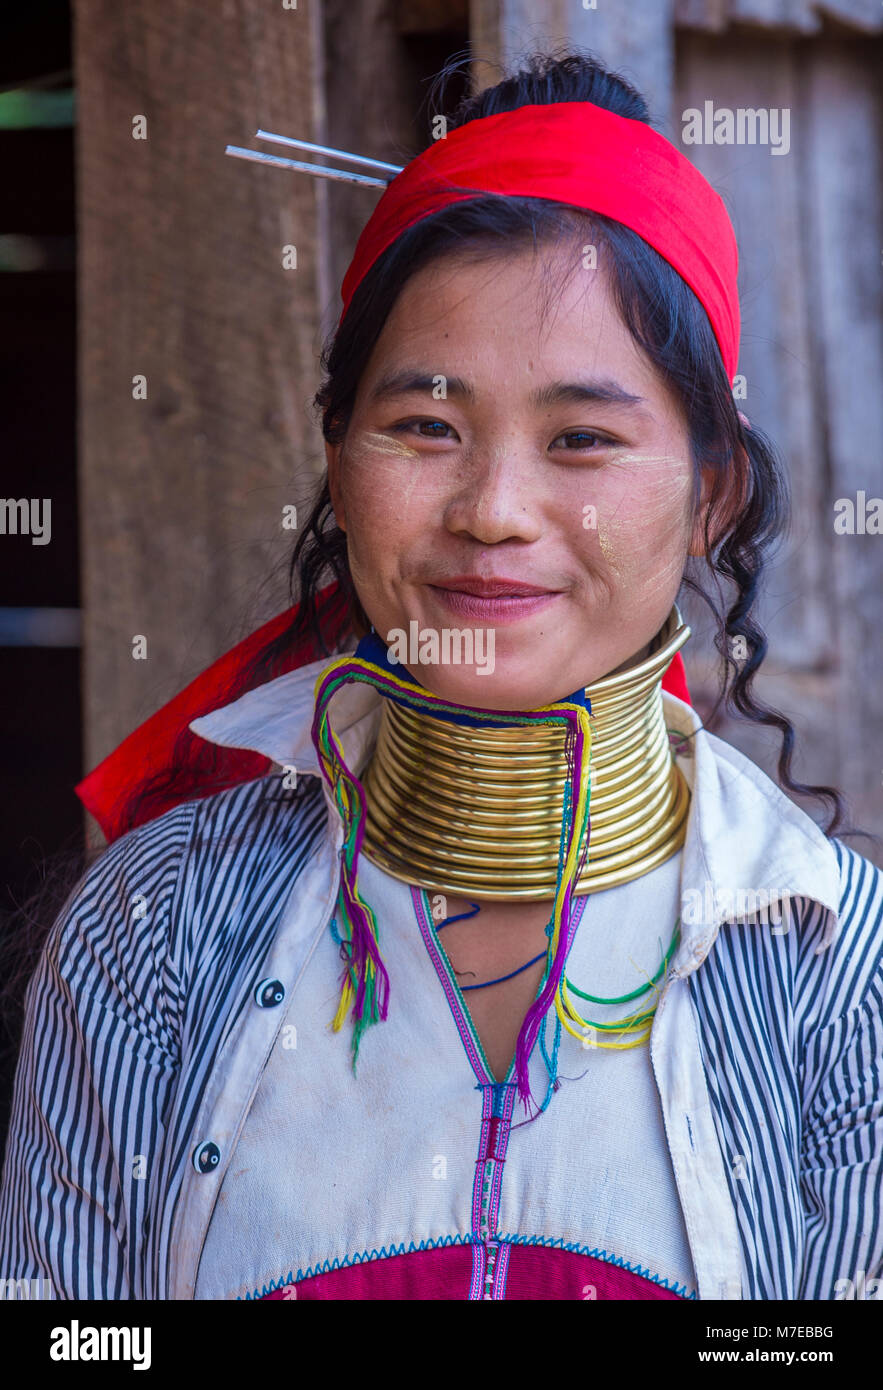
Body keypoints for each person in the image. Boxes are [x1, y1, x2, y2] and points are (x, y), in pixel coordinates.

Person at [1, 50, 881, 1303]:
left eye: (582, 437)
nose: (494, 510)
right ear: (338, 460)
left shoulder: (837, 977)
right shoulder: (153, 936)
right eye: (425, 426)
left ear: (710, 495)